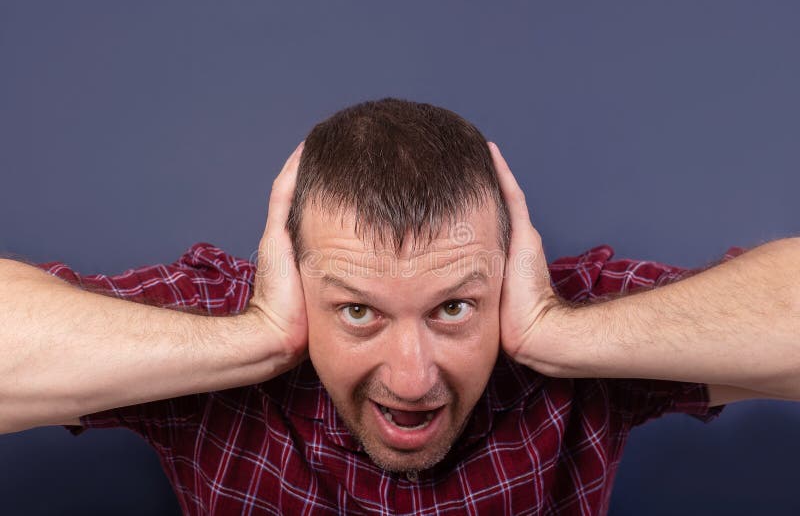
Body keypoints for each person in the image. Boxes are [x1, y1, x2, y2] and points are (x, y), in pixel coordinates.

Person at [1, 98, 797, 515]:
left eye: (453, 308)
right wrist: (262, 340)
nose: (413, 379)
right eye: (358, 312)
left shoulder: (570, 321)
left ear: (507, 269)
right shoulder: (225, 316)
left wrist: (557, 332)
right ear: (288, 271)